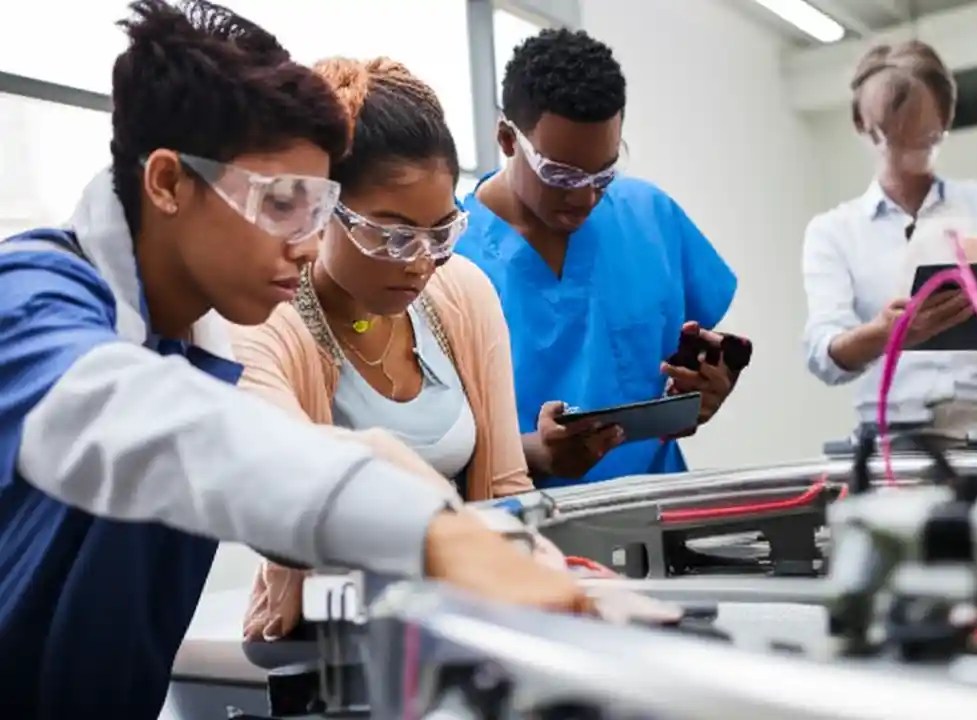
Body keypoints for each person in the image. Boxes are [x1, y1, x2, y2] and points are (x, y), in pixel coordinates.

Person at [0, 3, 587, 717]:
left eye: (317, 210)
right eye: (281, 205)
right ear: (166, 183)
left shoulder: (195, 336)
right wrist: (428, 531)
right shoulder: (28, 302)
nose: (307, 245)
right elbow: (148, 425)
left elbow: (275, 443)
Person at [232, 56, 543, 642]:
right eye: (392, 235)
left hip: (468, 617)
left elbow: (506, 490)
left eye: (441, 232)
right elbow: (272, 466)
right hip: (331, 635)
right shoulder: (266, 316)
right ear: (320, 209)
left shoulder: (464, 294)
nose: (422, 261)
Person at [456, 28, 742, 488]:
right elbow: (421, 444)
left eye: (604, 172)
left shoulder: (650, 216)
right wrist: (532, 454)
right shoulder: (445, 259)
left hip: (658, 513)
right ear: (508, 139)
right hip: (523, 531)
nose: (586, 197)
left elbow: (679, 366)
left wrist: (705, 391)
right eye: (561, 174)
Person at [802, 40, 977, 443]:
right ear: (863, 125)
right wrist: (883, 333)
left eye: (927, 137)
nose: (912, 155)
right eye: (894, 138)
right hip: (886, 444)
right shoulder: (834, 231)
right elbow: (824, 354)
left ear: (945, 120)